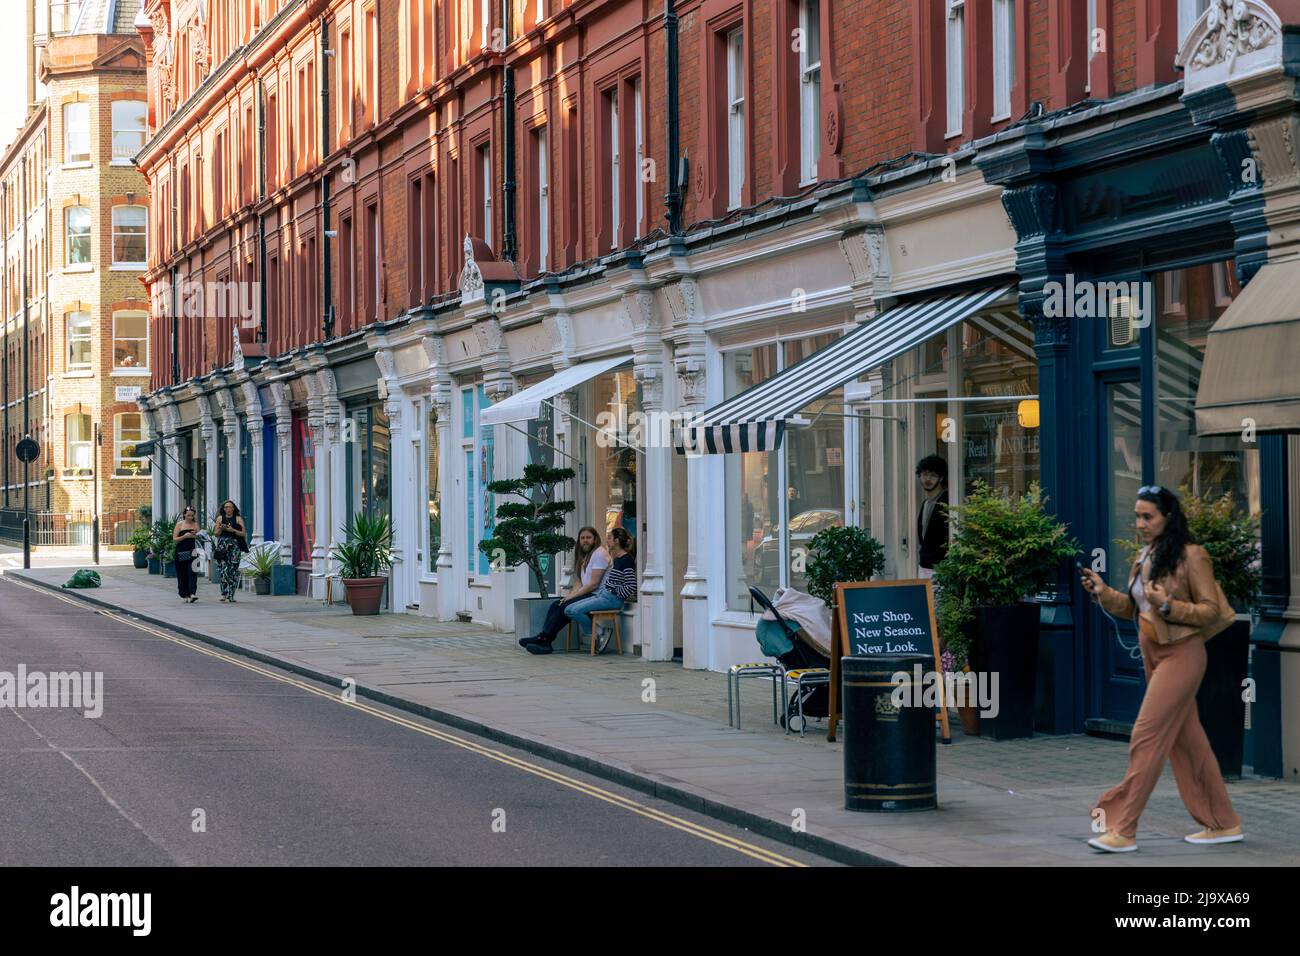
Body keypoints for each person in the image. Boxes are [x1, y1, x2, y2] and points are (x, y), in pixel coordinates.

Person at [1080, 485, 1242, 853]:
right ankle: (1224, 823)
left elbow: (1210, 610)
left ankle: (1123, 828)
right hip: (1153, 651)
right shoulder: (1147, 554)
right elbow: (1136, 608)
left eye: (1147, 516)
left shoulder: (1192, 555)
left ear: (1168, 517)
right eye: (1137, 516)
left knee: (1145, 736)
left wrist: (1168, 606)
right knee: (1190, 744)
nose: (1140, 523)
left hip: (1182, 654)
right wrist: (1103, 591)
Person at [530, 528, 637, 656]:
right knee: (566, 608)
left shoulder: (626, 560)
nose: (607, 541)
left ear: (616, 541)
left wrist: (614, 590)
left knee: (571, 610)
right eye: (582, 538)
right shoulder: (617, 559)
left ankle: (600, 632)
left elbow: (631, 586)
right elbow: (582, 582)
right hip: (603, 595)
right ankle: (599, 632)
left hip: (611, 598)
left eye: (609, 538)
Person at [518, 526, 610, 652]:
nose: (585, 540)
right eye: (582, 538)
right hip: (588, 593)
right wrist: (569, 596)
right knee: (556, 604)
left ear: (595, 539)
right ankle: (544, 638)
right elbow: (579, 582)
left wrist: (571, 597)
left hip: (597, 595)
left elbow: (593, 584)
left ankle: (545, 640)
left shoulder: (599, 553)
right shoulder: (586, 556)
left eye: (589, 538)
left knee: (564, 606)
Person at [916, 454, 949, 578]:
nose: (928, 479)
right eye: (925, 474)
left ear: (941, 478)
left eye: (933, 475)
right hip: (925, 566)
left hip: (941, 567)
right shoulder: (926, 503)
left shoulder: (947, 502)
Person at [212, 499, 247, 603]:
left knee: (233, 570)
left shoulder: (238, 518)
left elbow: (243, 534)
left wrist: (233, 530)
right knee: (224, 570)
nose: (228, 509)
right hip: (222, 546)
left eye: (230, 507)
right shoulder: (219, 518)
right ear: (223, 509)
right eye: (226, 507)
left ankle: (231, 595)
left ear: (234, 508)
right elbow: (216, 534)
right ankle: (224, 594)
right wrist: (221, 529)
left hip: (235, 546)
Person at [173, 506, 201, 603]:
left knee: (192, 572)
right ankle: (184, 593)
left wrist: (196, 535)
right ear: (184, 514)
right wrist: (185, 536)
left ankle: (192, 593)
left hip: (193, 551)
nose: (190, 517)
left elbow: (199, 537)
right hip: (181, 551)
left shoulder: (195, 524)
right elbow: (175, 539)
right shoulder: (179, 525)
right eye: (188, 515)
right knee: (182, 573)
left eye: (192, 516)